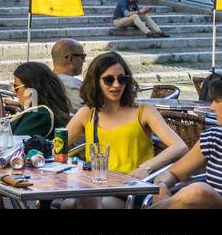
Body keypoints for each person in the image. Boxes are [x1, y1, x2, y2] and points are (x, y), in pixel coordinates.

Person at [65, 51, 186, 208]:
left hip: (131, 187)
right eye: (109, 80)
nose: (116, 85)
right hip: (97, 184)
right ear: (95, 82)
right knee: (68, 204)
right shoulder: (87, 113)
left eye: (122, 79)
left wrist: (145, 167)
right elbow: (58, 146)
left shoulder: (143, 110)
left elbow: (180, 146)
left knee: (97, 203)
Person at [151, 71, 222, 209]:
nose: (211, 107)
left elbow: (199, 194)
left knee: (198, 192)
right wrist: (161, 186)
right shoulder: (214, 138)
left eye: (217, 100)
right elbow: (170, 173)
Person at [10, 61, 73, 135]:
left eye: (16, 87)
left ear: (31, 87)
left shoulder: (40, 115)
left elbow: (16, 142)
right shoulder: (44, 111)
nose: (14, 93)